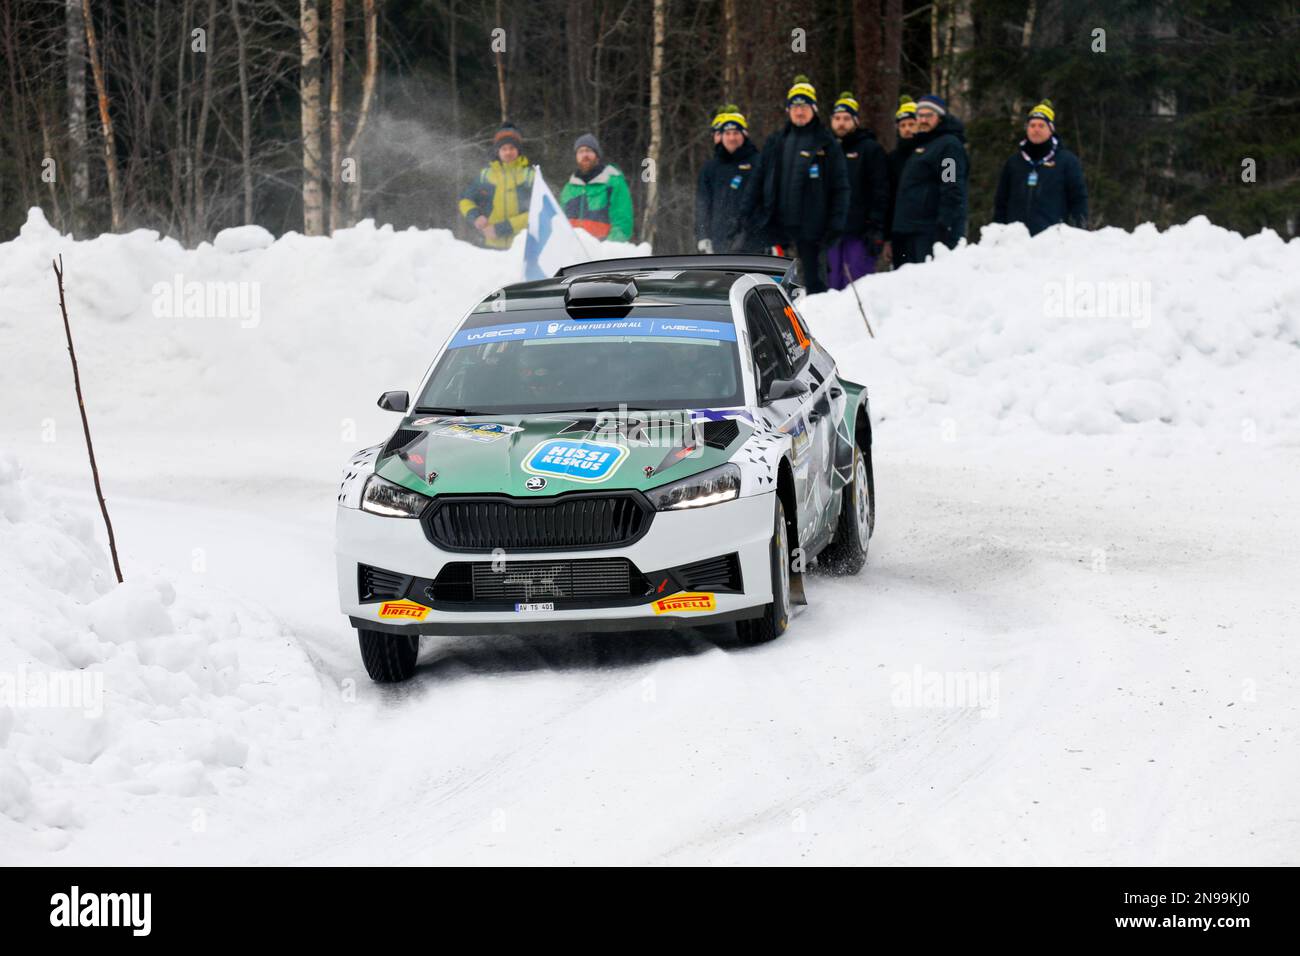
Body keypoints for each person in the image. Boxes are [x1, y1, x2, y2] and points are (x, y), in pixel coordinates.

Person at [753, 75, 850, 294]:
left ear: (813, 109)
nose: (799, 111)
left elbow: (841, 188)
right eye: (795, 106)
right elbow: (758, 180)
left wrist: (836, 224)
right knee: (777, 287)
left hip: (813, 229)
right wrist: (752, 215)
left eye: (804, 106)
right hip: (778, 228)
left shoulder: (826, 143)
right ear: (788, 110)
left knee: (815, 286)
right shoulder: (777, 141)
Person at [890, 93, 969, 267]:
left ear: (940, 118)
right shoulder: (920, 146)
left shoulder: (948, 146)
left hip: (929, 230)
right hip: (908, 228)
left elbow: (952, 185)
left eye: (929, 115)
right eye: (920, 116)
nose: (923, 120)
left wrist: (945, 224)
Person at [993, 99, 1088, 235]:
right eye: (1032, 125)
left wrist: (1078, 229)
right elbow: (1001, 201)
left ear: (1051, 130)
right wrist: (998, 231)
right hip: (1015, 239)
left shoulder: (1067, 161)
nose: (1036, 129)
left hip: (1052, 238)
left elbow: (1078, 199)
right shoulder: (1014, 162)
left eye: (1041, 126)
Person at [826, 92, 889, 288]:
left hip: (860, 231)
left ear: (855, 121)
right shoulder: (825, 149)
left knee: (856, 286)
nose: (841, 123)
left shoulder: (870, 149)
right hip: (831, 232)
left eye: (846, 119)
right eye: (837, 118)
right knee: (831, 288)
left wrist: (876, 225)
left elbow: (881, 190)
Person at [695, 105, 764, 254]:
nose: (731, 138)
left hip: (753, 240)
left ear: (744, 134)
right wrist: (703, 235)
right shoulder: (710, 168)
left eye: (736, 133)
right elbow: (703, 204)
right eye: (727, 133)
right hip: (720, 239)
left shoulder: (759, 163)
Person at [457, 122, 535, 249]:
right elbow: (465, 200)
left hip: (522, 247)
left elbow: (539, 213)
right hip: (489, 247)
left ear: (518, 150)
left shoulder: (531, 176)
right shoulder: (485, 176)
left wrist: (502, 228)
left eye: (512, 148)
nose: (508, 152)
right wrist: (475, 216)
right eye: (504, 148)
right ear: (498, 151)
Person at [560, 133, 635, 242]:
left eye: (589, 150)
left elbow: (622, 225)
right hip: (573, 251)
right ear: (576, 157)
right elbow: (559, 223)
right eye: (580, 151)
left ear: (597, 155)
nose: (585, 155)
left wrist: (605, 248)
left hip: (603, 250)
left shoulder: (613, 182)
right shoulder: (569, 188)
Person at [885, 95, 918, 266]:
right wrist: (887, 238)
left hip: (924, 228)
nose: (907, 129)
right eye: (903, 125)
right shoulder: (893, 159)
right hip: (899, 230)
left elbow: (949, 183)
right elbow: (888, 197)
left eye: (911, 124)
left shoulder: (935, 152)